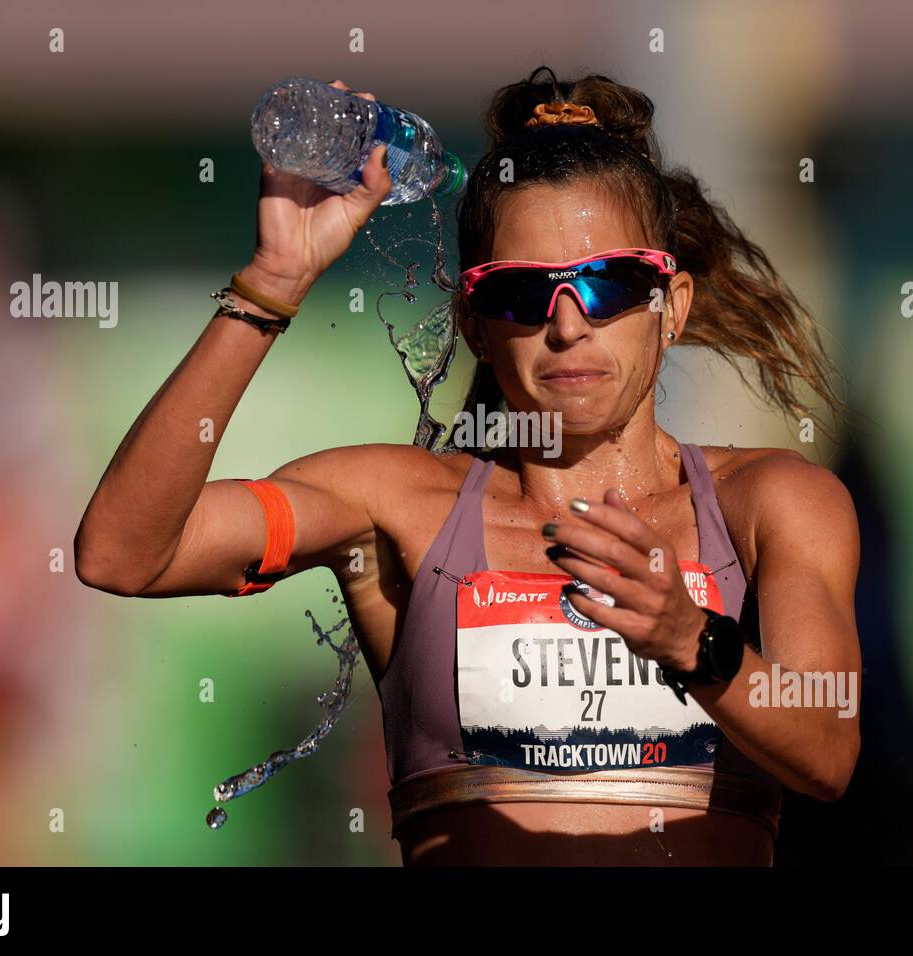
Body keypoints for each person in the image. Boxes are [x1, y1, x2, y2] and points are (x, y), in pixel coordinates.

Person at [75, 67, 862, 866]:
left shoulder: (772, 503)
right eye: (522, 292)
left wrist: (692, 640)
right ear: (476, 325)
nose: (568, 325)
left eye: (609, 282)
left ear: (673, 306)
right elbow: (123, 554)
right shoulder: (398, 506)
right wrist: (269, 286)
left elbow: (829, 752)